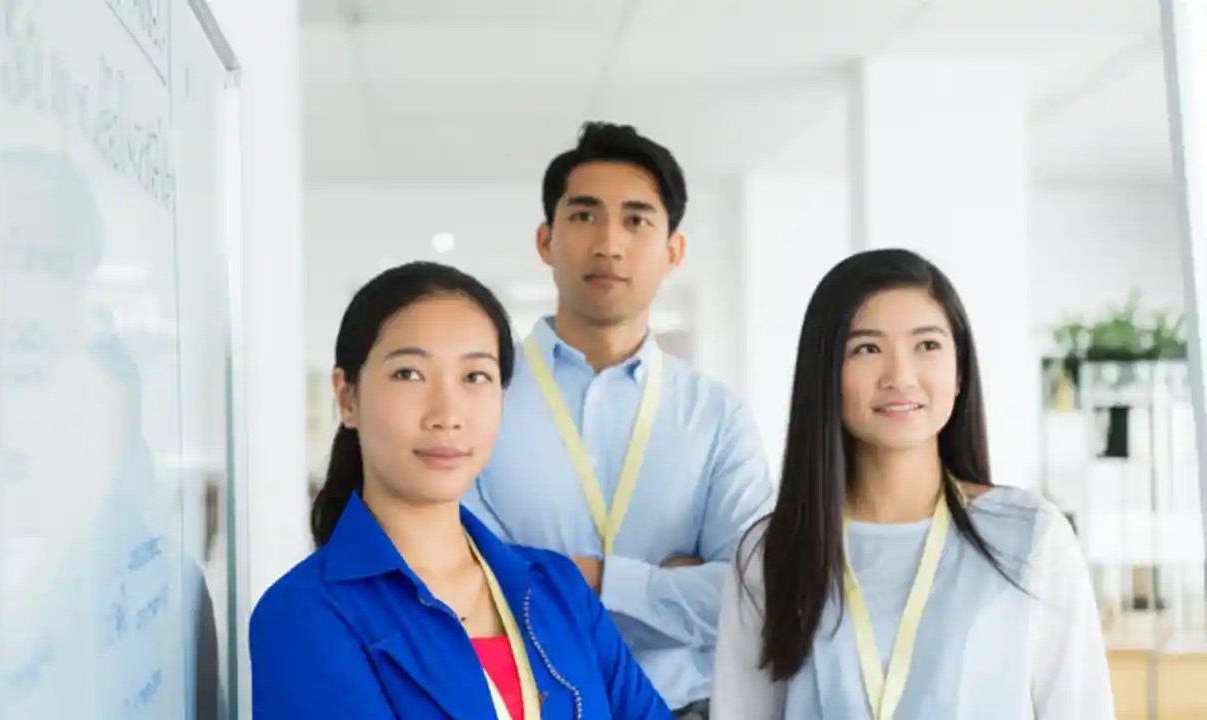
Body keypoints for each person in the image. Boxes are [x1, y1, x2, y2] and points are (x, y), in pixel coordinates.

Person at [249, 261, 672, 719]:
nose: (447, 413)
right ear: (347, 398)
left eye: (475, 377)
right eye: (409, 374)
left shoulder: (556, 589)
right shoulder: (303, 615)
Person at [712, 249, 1114, 719]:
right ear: (824, 375)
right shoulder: (770, 552)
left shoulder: (1031, 535)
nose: (900, 377)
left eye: (927, 346)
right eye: (866, 348)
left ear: (960, 370)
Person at [463, 122, 775, 718]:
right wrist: (666, 584)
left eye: (637, 220)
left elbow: (753, 595)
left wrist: (599, 578)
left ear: (672, 250)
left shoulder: (716, 415)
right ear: (546, 240)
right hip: (521, 705)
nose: (609, 242)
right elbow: (468, 581)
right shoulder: (483, 395)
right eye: (584, 216)